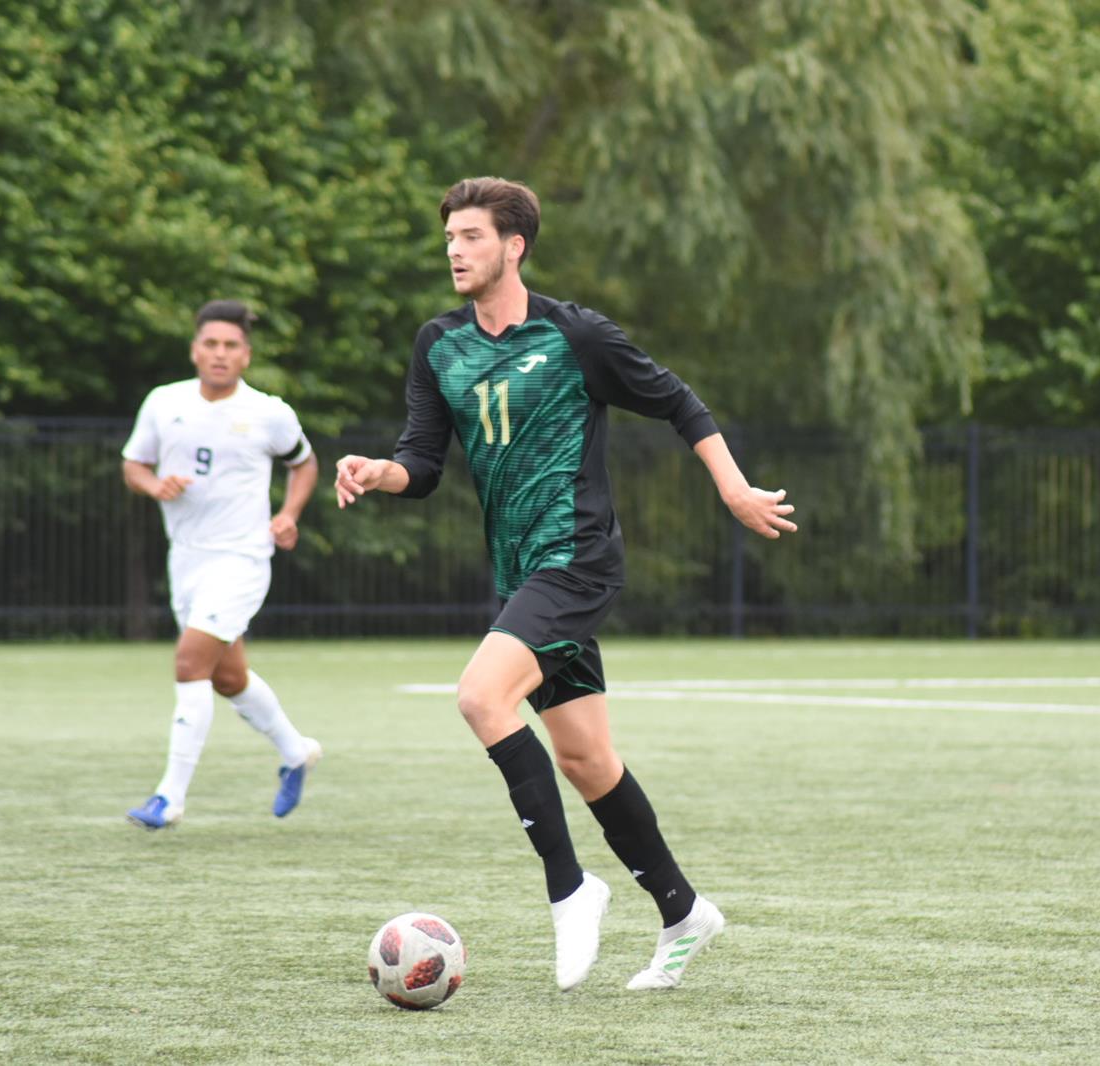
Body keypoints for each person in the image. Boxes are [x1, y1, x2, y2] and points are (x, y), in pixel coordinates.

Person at [334, 177, 797, 991]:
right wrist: (379, 472)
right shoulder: (437, 343)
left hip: (576, 558)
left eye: (471, 236)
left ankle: (570, 887)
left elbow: (680, 402)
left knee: (481, 697)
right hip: (520, 571)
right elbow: (423, 462)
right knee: (586, 758)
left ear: (513, 246)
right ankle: (685, 911)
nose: (454, 248)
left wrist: (732, 487)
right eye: (449, 236)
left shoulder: (572, 333)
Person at [121, 299, 322, 830]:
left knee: (190, 664)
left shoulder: (268, 412)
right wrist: (153, 484)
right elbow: (132, 464)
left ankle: (170, 797)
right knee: (228, 677)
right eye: (211, 343)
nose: (220, 353)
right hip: (185, 559)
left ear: (246, 356)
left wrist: (288, 514)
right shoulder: (164, 403)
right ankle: (296, 751)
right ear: (194, 349)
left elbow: (304, 463)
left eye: (231, 346)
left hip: (241, 559)